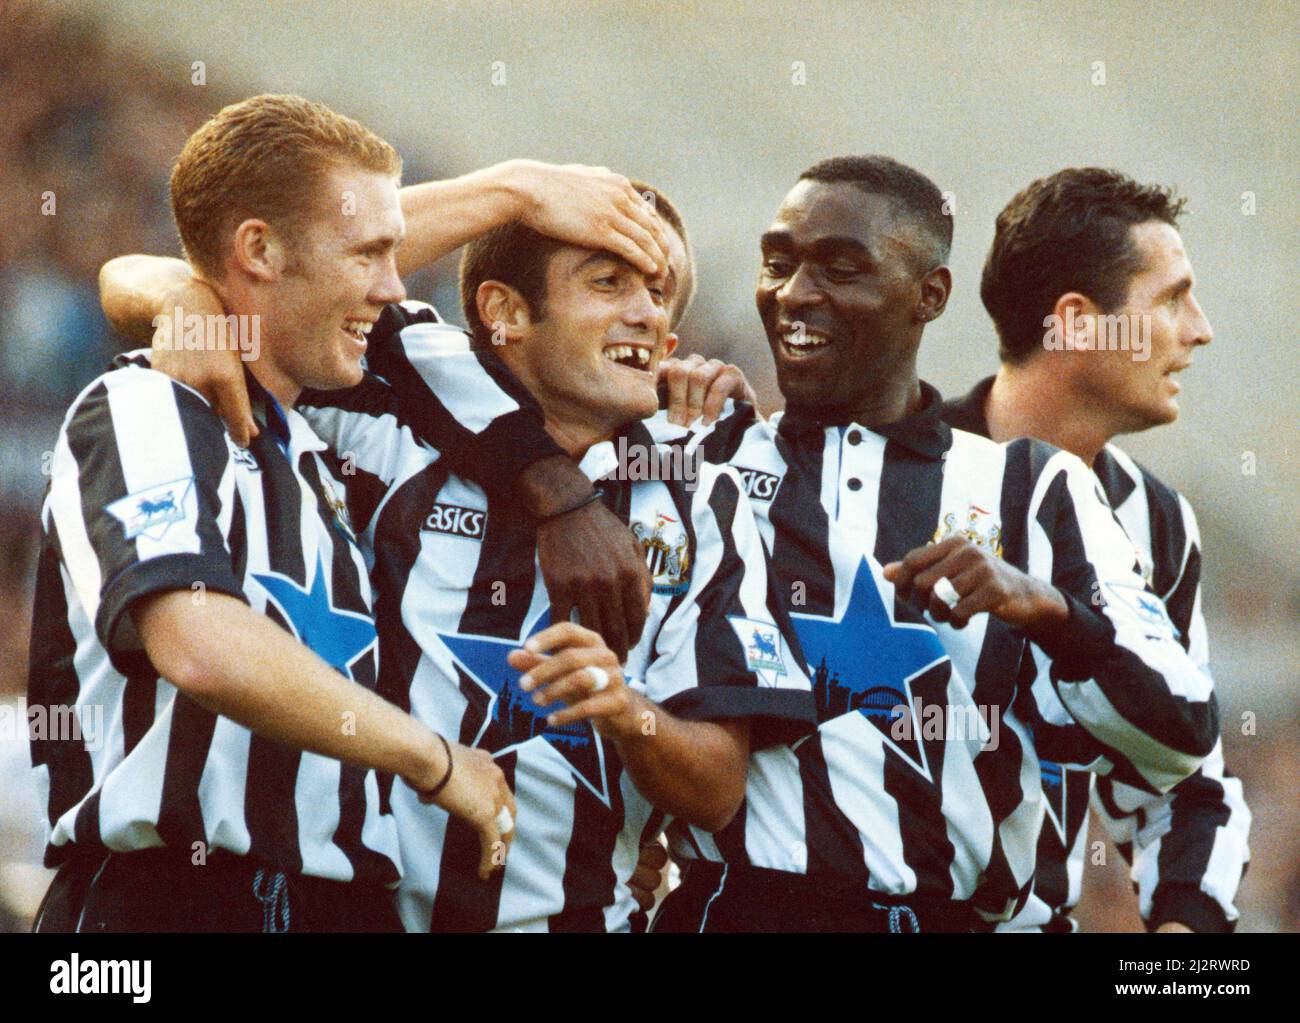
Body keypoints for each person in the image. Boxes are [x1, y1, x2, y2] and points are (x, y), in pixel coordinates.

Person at [233, 155, 1222, 931]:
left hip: (968, 918)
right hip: (733, 911)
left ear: (929, 295)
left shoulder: (1027, 487)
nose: (794, 293)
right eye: (777, 263)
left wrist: (1046, 609)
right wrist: (516, 192)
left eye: (841, 268)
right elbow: (274, 294)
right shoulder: (693, 457)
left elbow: (1183, 730)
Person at [99, 172, 818, 931]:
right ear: (504, 312)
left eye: (660, 292)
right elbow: (274, 277)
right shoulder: (379, 416)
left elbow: (716, 790)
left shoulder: (700, 496)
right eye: (608, 282)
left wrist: (624, 709)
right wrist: (517, 192)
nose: (646, 314)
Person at [28, 94, 514, 933]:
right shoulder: (143, 406)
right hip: (168, 904)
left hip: (341, 904)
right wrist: (434, 761)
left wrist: (523, 187)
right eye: (368, 253)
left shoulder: (320, 448)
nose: (393, 288)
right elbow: (200, 645)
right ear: (258, 248)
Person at [944, 167, 1250, 932]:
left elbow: (1184, 782)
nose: (1200, 329)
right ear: (1079, 322)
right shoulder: (892, 476)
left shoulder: (1161, 524)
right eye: (1173, 298)